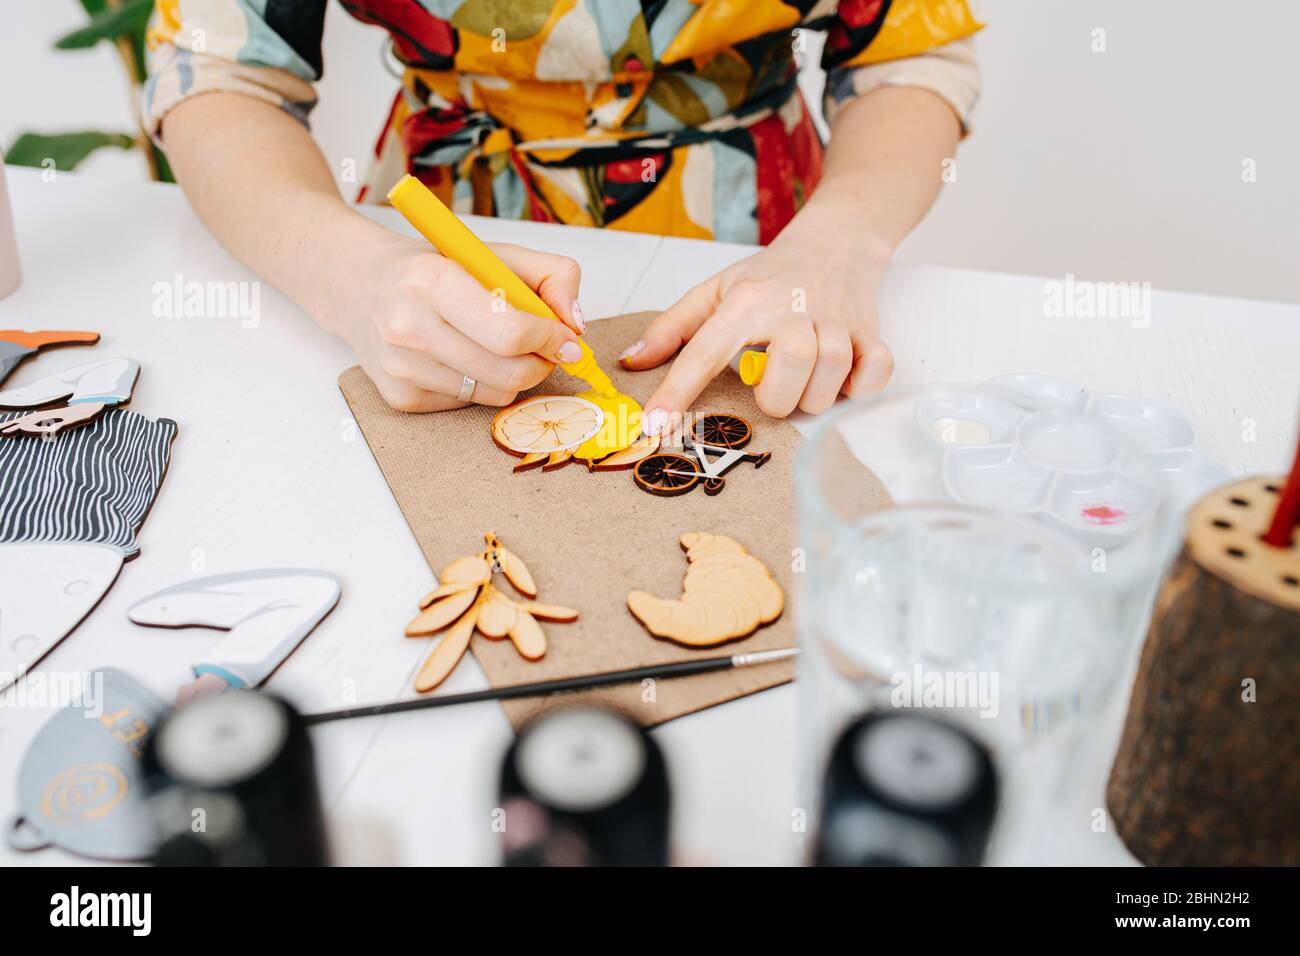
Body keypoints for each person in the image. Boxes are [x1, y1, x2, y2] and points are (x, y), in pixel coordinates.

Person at [144, 0, 981, 434]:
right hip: (447, 227)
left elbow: (908, 54)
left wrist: (835, 249)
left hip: (767, 237)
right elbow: (217, 77)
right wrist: (352, 274)